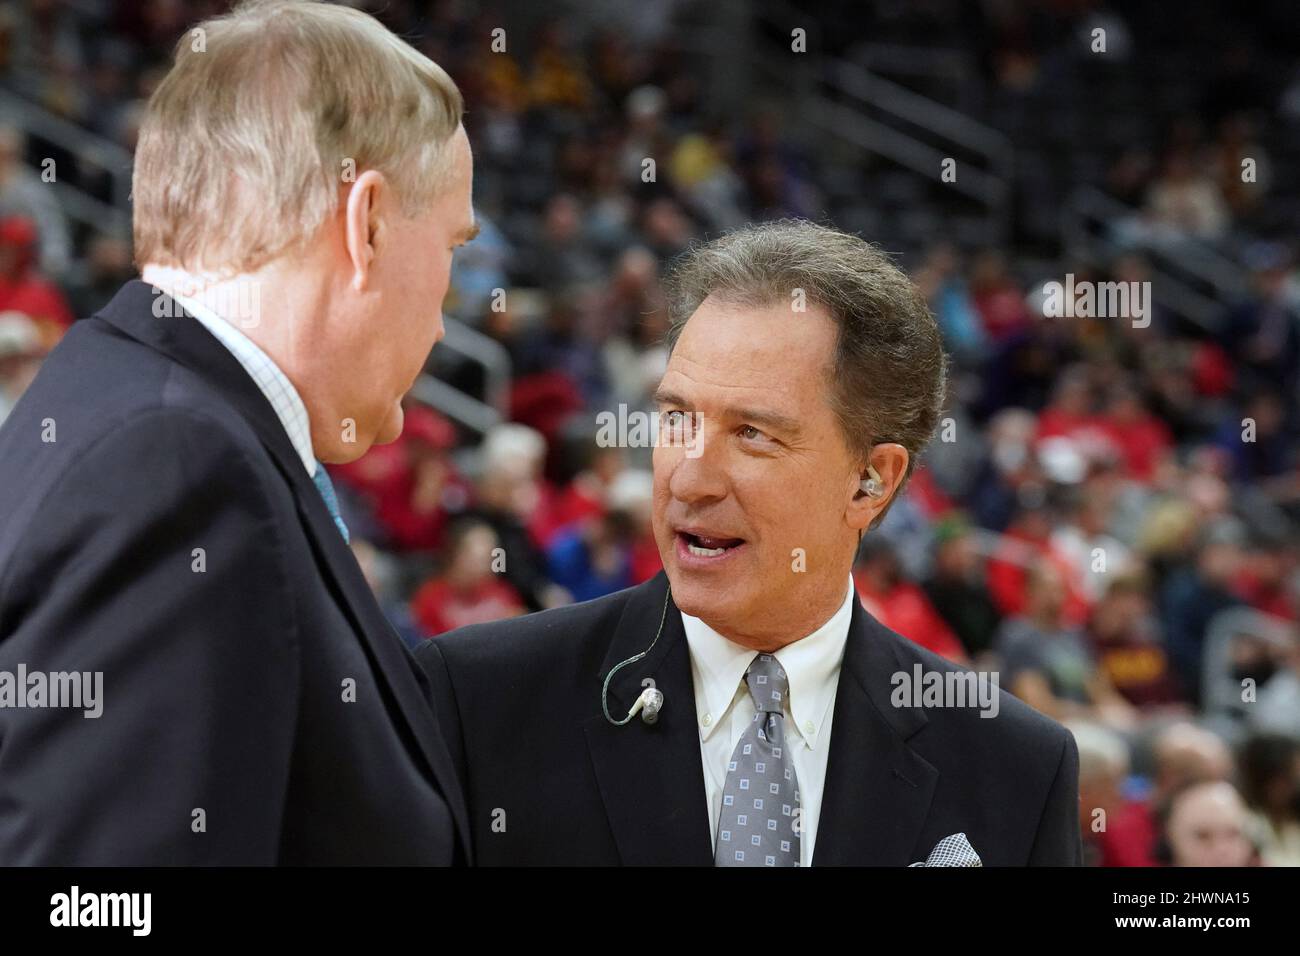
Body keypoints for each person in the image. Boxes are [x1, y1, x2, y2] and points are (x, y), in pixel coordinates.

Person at [417, 220, 1082, 865]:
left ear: (870, 482)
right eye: (677, 418)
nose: (691, 476)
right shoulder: (479, 700)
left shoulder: (1016, 767)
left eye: (753, 435)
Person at [0, 0, 476, 864]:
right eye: (451, 247)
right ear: (366, 223)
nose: (445, 324)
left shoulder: (137, 402)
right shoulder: (177, 464)